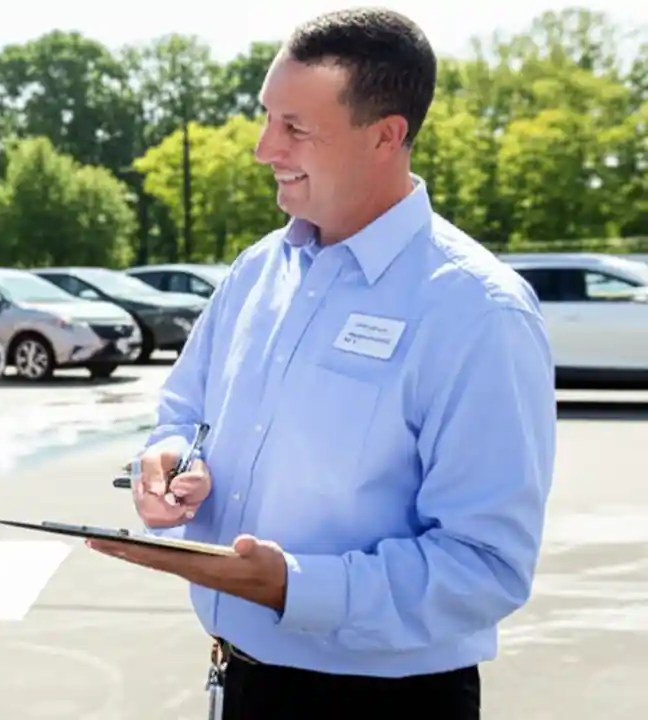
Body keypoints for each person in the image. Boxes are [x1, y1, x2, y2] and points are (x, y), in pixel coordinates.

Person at [86, 8, 556, 719]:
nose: (261, 148)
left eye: (295, 128)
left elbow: (486, 567)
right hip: (240, 678)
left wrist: (291, 585)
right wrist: (173, 460)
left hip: (384, 702)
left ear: (386, 136)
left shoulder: (477, 311)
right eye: (267, 117)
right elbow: (186, 413)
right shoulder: (256, 272)